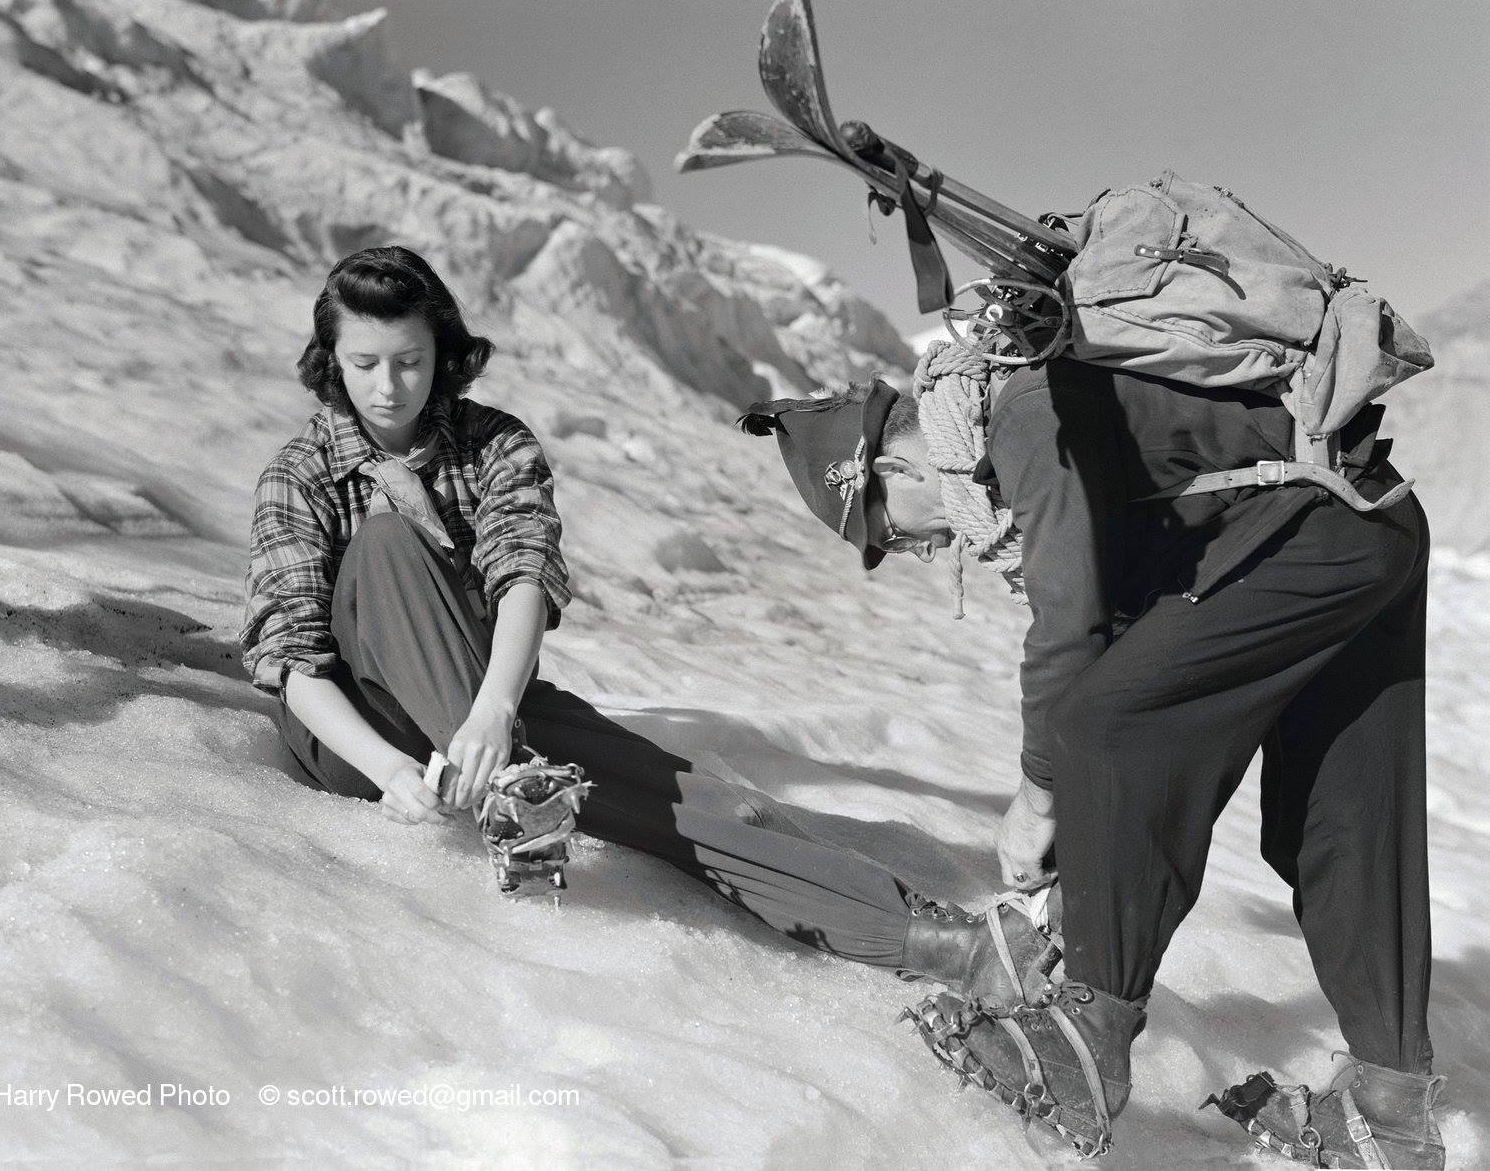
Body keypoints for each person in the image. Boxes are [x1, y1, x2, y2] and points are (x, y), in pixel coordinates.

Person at [239, 245, 1059, 1007]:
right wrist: (388, 770)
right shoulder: (299, 473)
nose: (389, 387)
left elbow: (522, 571)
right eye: (365, 364)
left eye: (411, 362)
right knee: (385, 542)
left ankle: (937, 939)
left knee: (703, 801)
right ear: (331, 363)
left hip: (488, 706)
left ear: (442, 354)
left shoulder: (492, 443)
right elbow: (294, 662)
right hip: (357, 732)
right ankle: (520, 790)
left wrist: (491, 715)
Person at [740, 348, 1442, 1165]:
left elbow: (1072, 629)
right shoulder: (1043, 408)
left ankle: (1083, 1041)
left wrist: (1041, 797)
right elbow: (1130, 643)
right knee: (1342, 818)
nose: (926, 552)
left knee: (1100, 728)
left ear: (896, 465)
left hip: (1309, 530)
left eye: (893, 535)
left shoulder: (1026, 416)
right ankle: (1391, 1106)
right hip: (1367, 521)